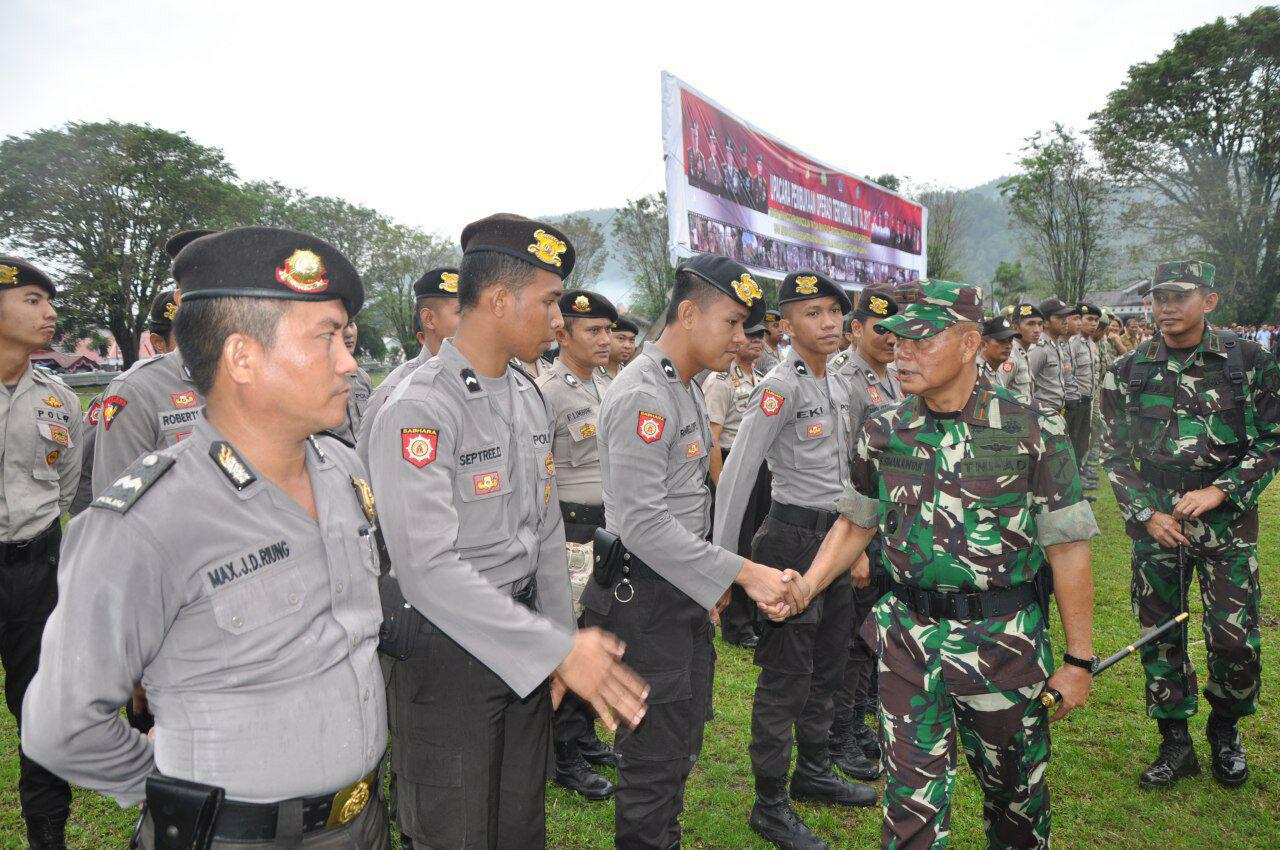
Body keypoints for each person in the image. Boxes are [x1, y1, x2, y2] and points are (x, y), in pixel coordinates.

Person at [23, 227, 393, 848]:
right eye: (325, 338)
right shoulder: (148, 520)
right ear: (242, 357)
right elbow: (61, 725)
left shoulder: (343, 471)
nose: (349, 362)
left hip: (363, 823)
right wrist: (179, 796)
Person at [366, 214, 648, 849]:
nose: (559, 318)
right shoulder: (419, 406)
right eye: (549, 301)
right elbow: (428, 570)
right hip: (448, 651)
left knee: (519, 825)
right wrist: (553, 650)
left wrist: (557, 639)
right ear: (497, 300)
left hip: (525, 645)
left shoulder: (524, 393)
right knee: (456, 832)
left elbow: (545, 531)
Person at [790, 278, 1099, 849]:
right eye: (897, 340)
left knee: (1015, 806)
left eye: (920, 341)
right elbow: (857, 521)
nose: (900, 353)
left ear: (968, 343)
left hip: (1002, 649)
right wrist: (805, 587)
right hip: (908, 644)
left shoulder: (1033, 430)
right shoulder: (885, 429)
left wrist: (1078, 658)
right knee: (909, 808)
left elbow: (1068, 549)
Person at [580, 253, 807, 850]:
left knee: (678, 743)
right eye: (732, 323)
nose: (741, 339)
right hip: (644, 600)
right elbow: (641, 522)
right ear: (687, 313)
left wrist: (706, 584)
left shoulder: (681, 385)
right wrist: (742, 571)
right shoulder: (644, 396)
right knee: (652, 764)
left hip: (675, 592)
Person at [1098, 260, 1280, 790]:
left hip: (1226, 525)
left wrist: (1221, 489)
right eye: (1159, 297)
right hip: (1157, 526)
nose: (1167, 307)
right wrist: (1145, 514)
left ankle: (1225, 732)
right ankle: (1175, 743)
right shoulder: (1130, 368)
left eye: (1180, 296)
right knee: (1161, 637)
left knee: (1233, 637)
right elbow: (1110, 453)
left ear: (1210, 300)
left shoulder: (1248, 361)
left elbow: (1272, 440)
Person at [714, 271, 875, 850]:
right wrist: (720, 570)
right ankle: (770, 802)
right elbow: (735, 480)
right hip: (788, 541)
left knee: (828, 666)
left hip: (833, 542)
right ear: (784, 325)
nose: (830, 323)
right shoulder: (779, 386)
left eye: (835, 311)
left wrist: (854, 545)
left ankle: (812, 772)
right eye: (814, 312)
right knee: (785, 677)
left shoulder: (836, 383)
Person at [0, 257, 81, 850]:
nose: (49, 313)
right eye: (32, 299)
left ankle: (46, 835)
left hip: (35, 567)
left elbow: (66, 487)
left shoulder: (59, 400)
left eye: (49, 301)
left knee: (41, 705)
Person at [535, 289, 622, 802]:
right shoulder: (548, 391)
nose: (605, 340)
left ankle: (584, 735)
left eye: (609, 330)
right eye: (593, 330)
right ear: (562, 333)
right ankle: (563, 754)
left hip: (606, 528)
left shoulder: (609, 386)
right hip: (569, 530)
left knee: (597, 626)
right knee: (569, 633)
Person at [828, 284, 905, 786]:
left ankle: (865, 719)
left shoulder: (895, 376)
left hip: (889, 526)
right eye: (880, 329)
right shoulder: (842, 378)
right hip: (859, 526)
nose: (891, 338)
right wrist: (854, 548)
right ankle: (842, 732)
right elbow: (839, 462)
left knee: (879, 634)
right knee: (852, 639)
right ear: (855, 329)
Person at [91, 229, 211, 496]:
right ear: (182, 299)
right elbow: (116, 503)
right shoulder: (137, 391)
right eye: (209, 287)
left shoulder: (265, 380)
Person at [70, 288, 180, 518]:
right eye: (186, 334)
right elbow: (84, 473)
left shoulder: (218, 388)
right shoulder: (131, 393)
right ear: (158, 342)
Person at [702, 320, 768, 648]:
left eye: (761, 335)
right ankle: (736, 624)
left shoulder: (762, 377)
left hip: (757, 465)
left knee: (756, 542)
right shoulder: (720, 380)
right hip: (727, 463)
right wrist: (722, 484)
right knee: (735, 546)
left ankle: (755, 617)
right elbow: (712, 439)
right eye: (751, 335)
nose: (757, 341)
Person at [355, 267, 460, 457]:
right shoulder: (393, 389)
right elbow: (365, 462)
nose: (471, 320)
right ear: (429, 319)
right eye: (461, 312)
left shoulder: (479, 379)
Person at [1070, 303, 1101, 496]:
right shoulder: (1073, 343)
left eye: (1096, 320)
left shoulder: (1090, 343)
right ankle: (1072, 488)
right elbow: (1068, 374)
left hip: (1088, 400)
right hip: (1076, 401)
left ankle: (1079, 484)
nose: (1094, 324)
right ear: (1079, 320)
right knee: (1073, 445)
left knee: (1082, 444)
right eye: (1089, 319)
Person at [1027, 297, 1074, 417]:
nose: (1065, 321)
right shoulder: (1040, 349)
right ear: (1046, 322)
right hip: (1043, 412)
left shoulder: (1056, 345)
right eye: (1059, 317)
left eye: (1066, 317)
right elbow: (1027, 383)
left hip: (1057, 411)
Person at [337, 318, 372, 443]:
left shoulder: (363, 378)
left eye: (351, 324)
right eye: (341, 325)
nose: (349, 333)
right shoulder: (313, 382)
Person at [1003, 303, 1040, 406]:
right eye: (1030, 324)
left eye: (1040, 324)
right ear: (1015, 328)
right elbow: (998, 392)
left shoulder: (1023, 353)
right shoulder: (1011, 356)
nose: (1037, 330)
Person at [979, 314, 1018, 387]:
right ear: (984, 345)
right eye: (1002, 341)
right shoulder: (976, 373)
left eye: (1010, 340)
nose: (1008, 346)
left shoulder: (994, 372)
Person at [602, 316, 640, 382]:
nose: (628, 346)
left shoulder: (628, 377)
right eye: (621, 338)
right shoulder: (589, 368)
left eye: (632, 340)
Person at [758, 307, 784, 371]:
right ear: (765, 329)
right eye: (776, 326)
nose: (781, 330)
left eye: (782, 326)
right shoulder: (759, 352)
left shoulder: (779, 350)